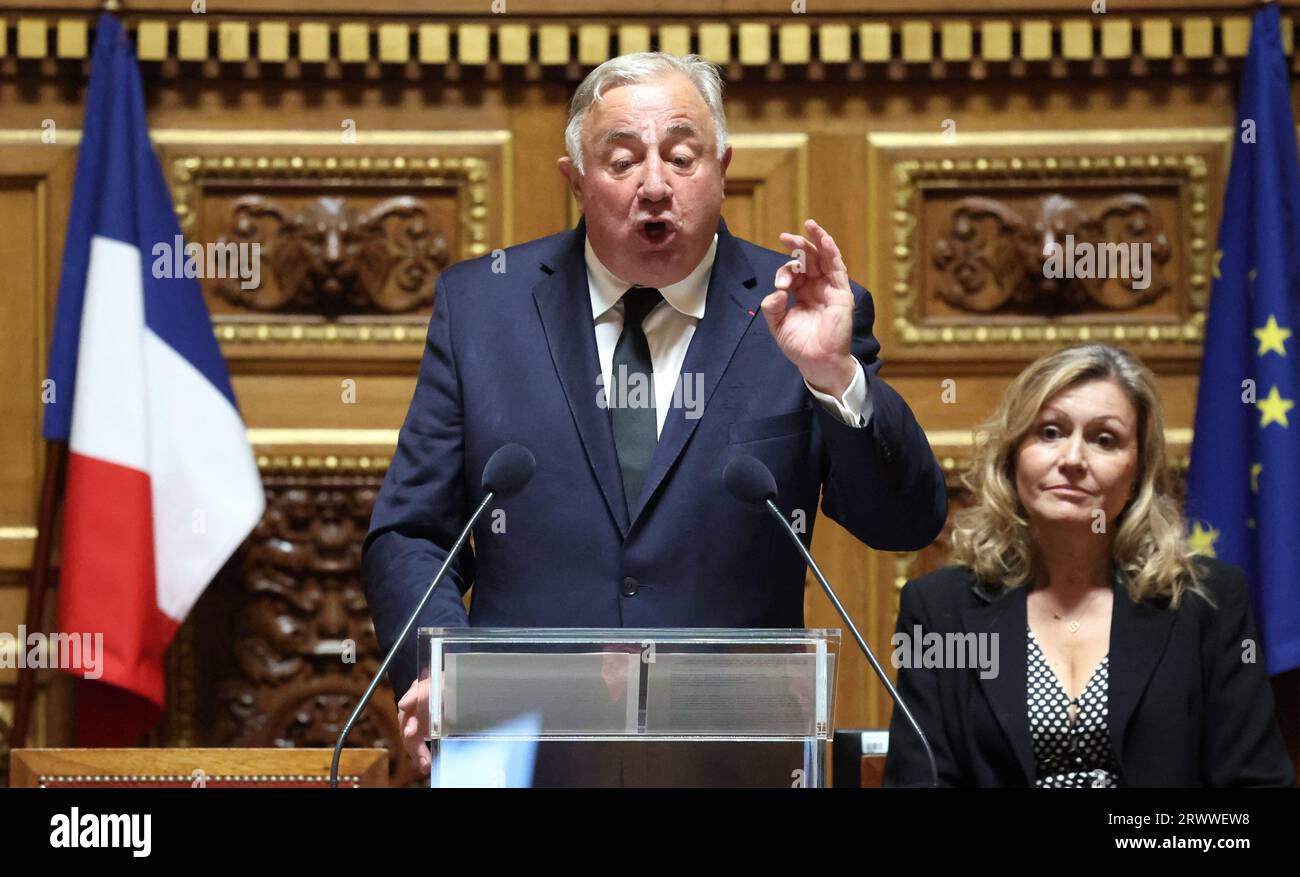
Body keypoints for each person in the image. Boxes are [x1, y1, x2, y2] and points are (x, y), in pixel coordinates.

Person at [362, 52, 947, 776]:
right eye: (622, 160)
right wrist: (442, 663)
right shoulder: (483, 308)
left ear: (723, 167)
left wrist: (835, 374)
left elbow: (906, 520)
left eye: (681, 155)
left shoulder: (802, 308)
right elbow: (411, 531)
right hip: (520, 750)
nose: (655, 186)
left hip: (731, 755)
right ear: (574, 180)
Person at [883, 344, 1294, 787]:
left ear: (1138, 471)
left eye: (1105, 440)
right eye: (1050, 432)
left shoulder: (1207, 601)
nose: (1073, 460)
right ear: (1013, 455)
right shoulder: (939, 608)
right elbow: (918, 782)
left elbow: (1255, 783)